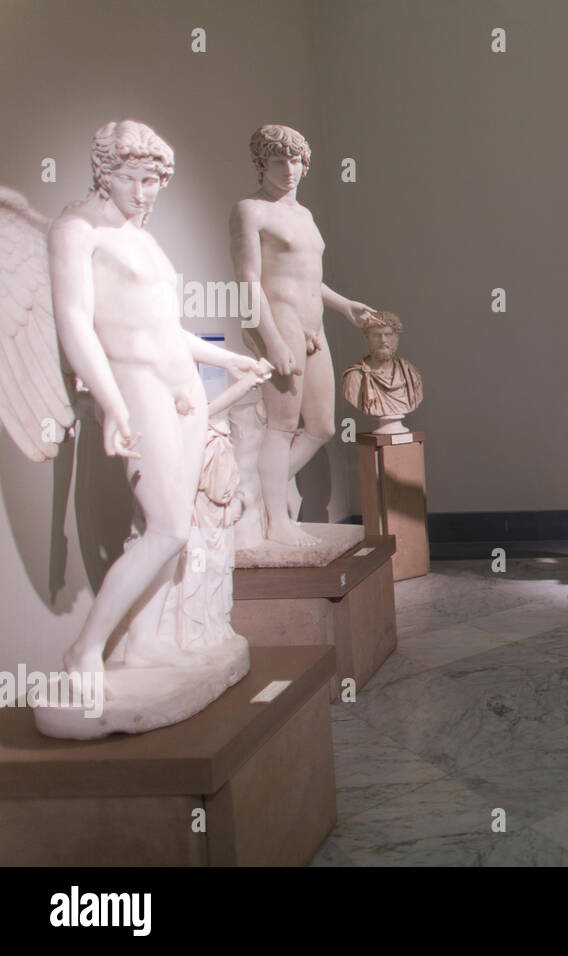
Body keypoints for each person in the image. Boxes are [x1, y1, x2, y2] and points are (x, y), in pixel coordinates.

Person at [49, 120, 269, 690]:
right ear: (107, 171)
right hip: (138, 392)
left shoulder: (142, 237)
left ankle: (143, 644)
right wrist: (112, 403)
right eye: (138, 179)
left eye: (154, 182)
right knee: (168, 529)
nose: (147, 194)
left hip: (185, 392)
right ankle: (85, 649)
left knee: (175, 527)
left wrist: (225, 362)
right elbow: (75, 324)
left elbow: (165, 330)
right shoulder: (77, 230)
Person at [230, 124, 376, 547]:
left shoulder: (305, 215)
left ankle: (253, 495)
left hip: (314, 325)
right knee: (280, 425)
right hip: (280, 319)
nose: (289, 169)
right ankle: (277, 522)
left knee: (322, 427)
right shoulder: (250, 211)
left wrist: (344, 305)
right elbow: (247, 282)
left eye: (296, 160)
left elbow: (311, 279)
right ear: (262, 164)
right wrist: (270, 337)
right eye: (279, 160)